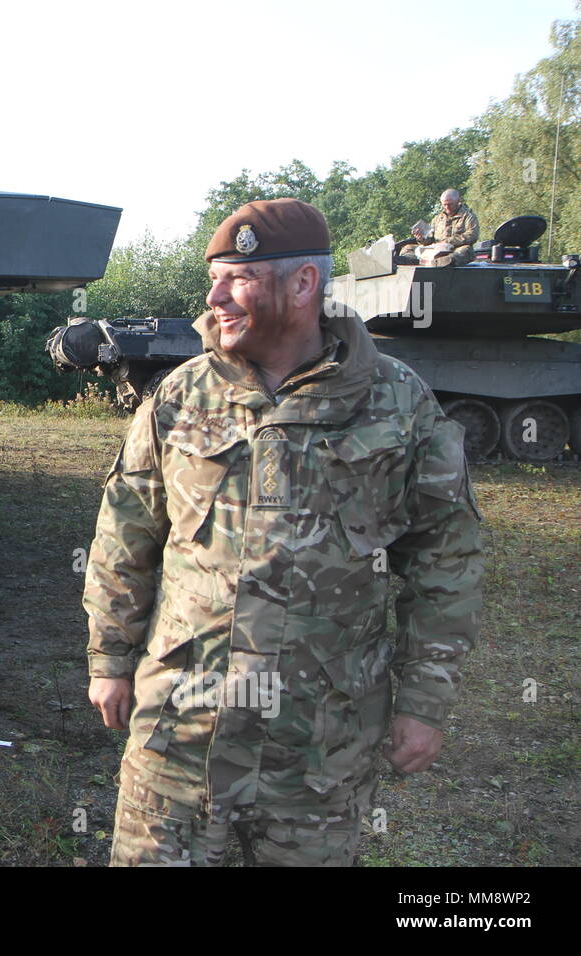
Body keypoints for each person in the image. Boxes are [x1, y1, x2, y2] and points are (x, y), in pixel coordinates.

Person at [83, 198, 483, 866]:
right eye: (214, 278)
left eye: (235, 277)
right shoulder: (181, 397)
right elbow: (124, 535)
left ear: (302, 285)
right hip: (179, 733)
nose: (214, 297)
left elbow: (447, 559)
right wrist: (110, 658)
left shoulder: (398, 403)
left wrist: (424, 701)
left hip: (318, 747)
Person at [397, 188, 480, 265]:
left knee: (466, 250)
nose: (447, 207)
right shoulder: (438, 218)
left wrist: (449, 242)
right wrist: (421, 238)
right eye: (444, 205)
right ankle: (412, 260)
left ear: (458, 201)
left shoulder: (468, 216)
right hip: (436, 248)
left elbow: (472, 235)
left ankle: (445, 261)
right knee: (408, 248)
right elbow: (429, 238)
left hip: (455, 249)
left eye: (450, 204)